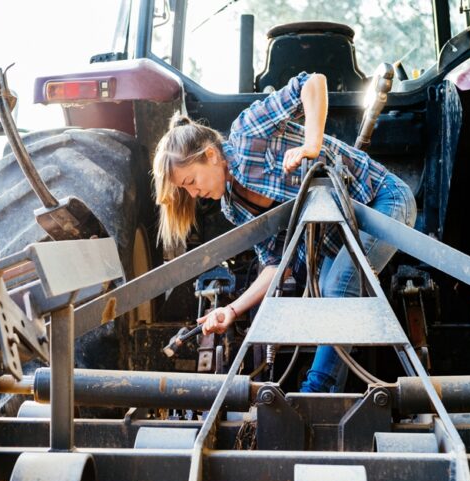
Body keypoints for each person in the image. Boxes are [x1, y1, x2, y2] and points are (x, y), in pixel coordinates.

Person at [152, 72, 416, 392]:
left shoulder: (248, 132)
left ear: (210, 155)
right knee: (329, 300)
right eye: (186, 189)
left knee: (336, 287)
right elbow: (278, 264)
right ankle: (331, 398)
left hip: (382, 202)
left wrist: (311, 145)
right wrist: (232, 310)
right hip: (340, 241)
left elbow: (313, 82)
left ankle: (315, 393)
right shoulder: (233, 208)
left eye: (191, 182)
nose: (193, 194)